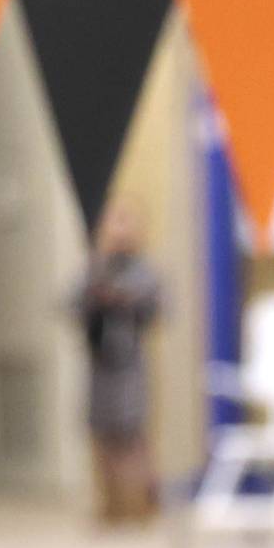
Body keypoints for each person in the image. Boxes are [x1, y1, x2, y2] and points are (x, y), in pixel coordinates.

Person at [72, 201, 163, 523]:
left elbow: (155, 305)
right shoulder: (95, 268)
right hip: (100, 363)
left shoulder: (144, 270)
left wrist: (123, 299)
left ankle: (139, 505)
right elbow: (73, 302)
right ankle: (109, 506)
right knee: (102, 435)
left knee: (131, 435)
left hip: (128, 361)